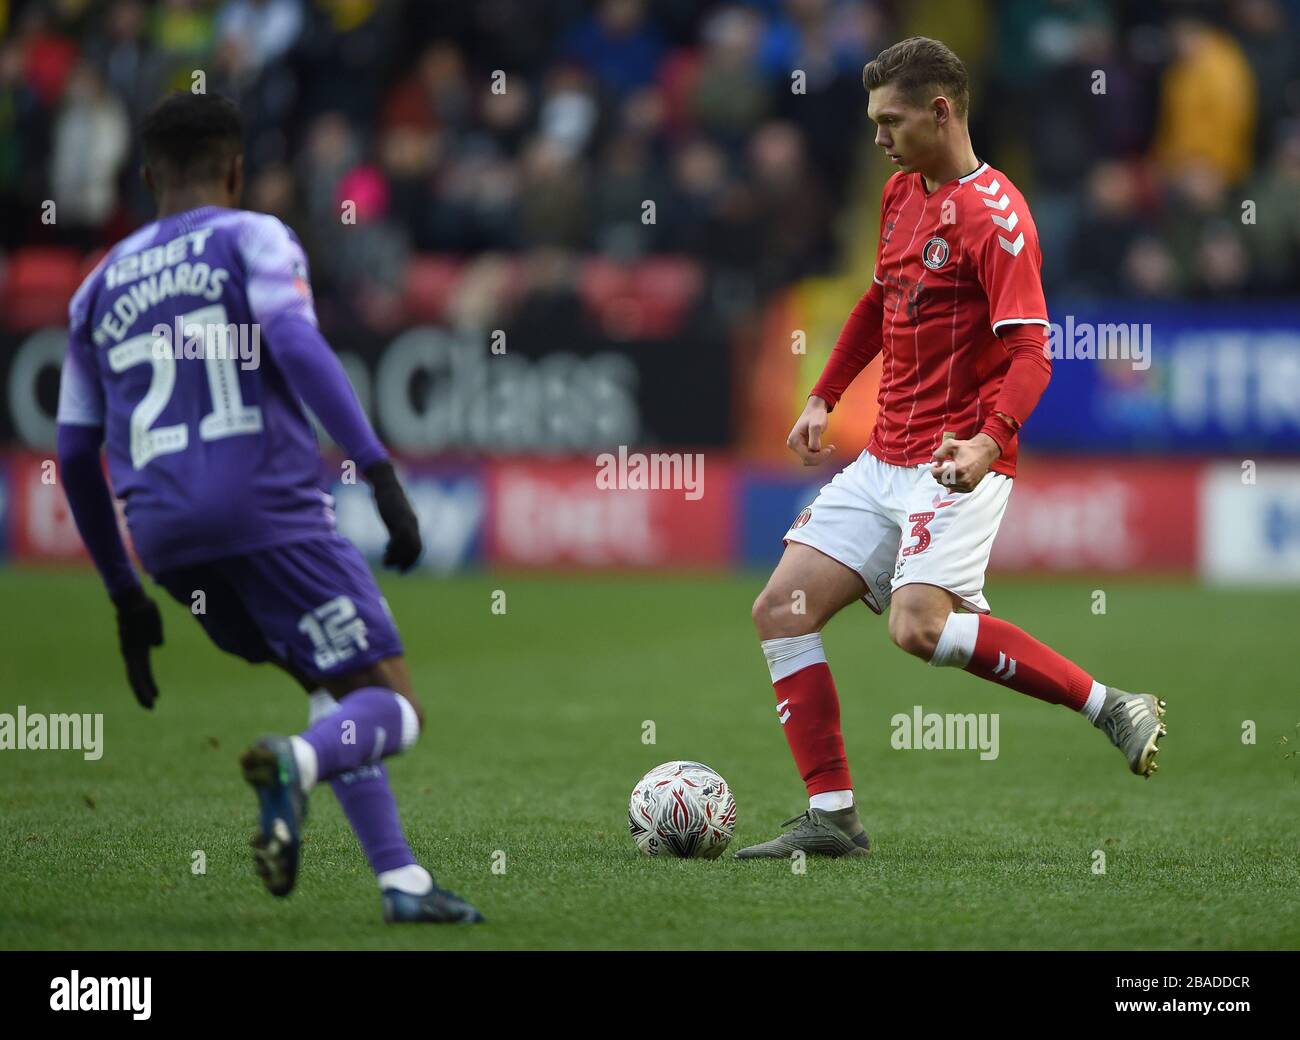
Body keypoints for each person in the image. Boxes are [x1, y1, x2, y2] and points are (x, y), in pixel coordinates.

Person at [55, 91, 483, 922]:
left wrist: (122, 593)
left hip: (167, 543)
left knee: (334, 690)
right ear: (238, 169)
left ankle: (403, 883)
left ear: (146, 176)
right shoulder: (253, 235)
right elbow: (292, 340)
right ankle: (291, 763)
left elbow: (74, 452)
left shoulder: (96, 284)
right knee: (394, 704)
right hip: (268, 517)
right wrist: (378, 469)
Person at [738, 38, 1166, 860]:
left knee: (918, 628)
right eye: (872, 122)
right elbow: (875, 301)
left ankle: (1112, 704)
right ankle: (832, 816)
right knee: (779, 609)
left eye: (890, 120)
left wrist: (988, 441)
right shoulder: (901, 193)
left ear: (941, 111)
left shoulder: (996, 218)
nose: (877, 138)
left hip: (955, 461)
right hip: (882, 460)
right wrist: (823, 396)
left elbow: (1033, 352)